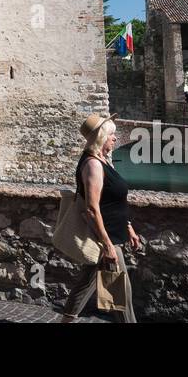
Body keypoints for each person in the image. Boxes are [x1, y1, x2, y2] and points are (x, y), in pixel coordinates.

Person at [61, 114, 140, 323]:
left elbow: (114, 202)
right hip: (105, 238)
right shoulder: (93, 165)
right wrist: (107, 245)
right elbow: (92, 208)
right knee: (120, 295)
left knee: (90, 286)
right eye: (111, 134)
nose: (115, 138)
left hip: (112, 235)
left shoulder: (103, 161)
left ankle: (66, 320)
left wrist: (128, 227)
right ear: (101, 137)